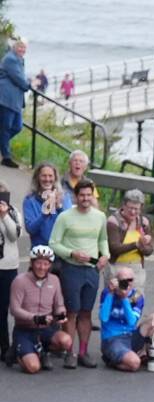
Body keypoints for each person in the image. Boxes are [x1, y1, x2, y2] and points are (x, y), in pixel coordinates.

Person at [49, 180, 108, 369]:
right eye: (82, 195)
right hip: (71, 269)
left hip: (91, 270)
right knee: (72, 312)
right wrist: (72, 253)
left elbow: (103, 240)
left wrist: (105, 256)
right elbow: (54, 243)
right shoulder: (65, 217)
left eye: (88, 195)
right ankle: (70, 353)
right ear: (75, 197)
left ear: (93, 195)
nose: (85, 198)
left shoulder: (100, 217)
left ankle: (83, 351)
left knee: (86, 312)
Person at [9, 245, 70, 373]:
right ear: (32, 263)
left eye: (45, 264)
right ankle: (17, 350)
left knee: (66, 341)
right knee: (33, 368)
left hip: (46, 329)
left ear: (50, 265)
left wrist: (61, 314)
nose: (42, 267)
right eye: (38, 263)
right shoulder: (20, 281)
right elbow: (14, 309)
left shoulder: (54, 280)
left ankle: (43, 352)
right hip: (25, 329)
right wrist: (35, 318)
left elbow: (59, 304)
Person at [98, 268, 154, 372]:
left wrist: (124, 298)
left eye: (129, 280)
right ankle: (112, 360)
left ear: (133, 281)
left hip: (131, 335)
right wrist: (112, 294)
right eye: (122, 280)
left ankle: (146, 353)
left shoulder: (137, 296)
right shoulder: (107, 292)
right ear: (116, 281)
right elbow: (103, 318)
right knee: (135, 364)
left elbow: (132, 322)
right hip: (112, 339)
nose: (127, 283)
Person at [106, 188, 153, 291]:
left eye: (136, 209)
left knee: (135, 303)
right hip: (117, 268)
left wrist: (143, 246)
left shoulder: (144, 222)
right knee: (116, 303)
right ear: (123, 205)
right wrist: (136, 245)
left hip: (137, 269)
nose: (133, 212)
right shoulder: (114, 221)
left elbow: (149, 251)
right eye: (130, 208)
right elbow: (114, 248)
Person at [21, 162, 68, 249]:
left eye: (50, 176)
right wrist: (44, 214)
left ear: (55, 178)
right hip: (40, 253)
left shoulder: (64, 197)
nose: (47, 179)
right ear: (37, 178)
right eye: (44, 175)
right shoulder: (29, 200)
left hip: (61, 250)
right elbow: (30, 229)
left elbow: (69, 225)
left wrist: (59, 208)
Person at [0, 38, 31, 169]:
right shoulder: (10, 59)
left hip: (15, 100)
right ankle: (6, 157)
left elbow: (20, 76)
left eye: (24, 48)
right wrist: (30, 84)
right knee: (6, 127)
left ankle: (3, 143)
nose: (22, 50)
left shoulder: (19, 59)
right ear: (14, 47)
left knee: (17, 126)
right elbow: (19, 79)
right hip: (6, 98)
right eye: (20, 47)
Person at [0, 190, 19, 363]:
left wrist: (4, 216)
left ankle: (5, 348)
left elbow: (14, 236)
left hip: (7, 267)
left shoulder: (13, 212)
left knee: (4, 309)